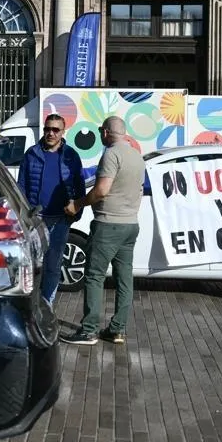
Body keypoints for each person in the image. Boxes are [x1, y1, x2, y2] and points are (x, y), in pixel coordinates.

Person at [61, 116, 145, 346]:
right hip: (130, 225)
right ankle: (117, 329)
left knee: (94, 276)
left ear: (106, 132)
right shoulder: (137, 156)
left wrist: (77, 204)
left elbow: (101, 190)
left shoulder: (111, 154)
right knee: (124, 278)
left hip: (108, 224)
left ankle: (89, 331)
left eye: (100, 132)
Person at [17, 113, 86, 305]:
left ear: (63, 132)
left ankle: (47, 304)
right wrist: (23, 214)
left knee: (54, 265)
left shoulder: (71, 156)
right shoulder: (31, 154)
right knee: (32, 265)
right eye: (47, 129)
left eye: (55, 130)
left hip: (61, 219)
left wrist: (76, 212)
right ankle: (29, 305)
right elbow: (21, 186)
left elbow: (79, 185)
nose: (50, 133)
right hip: (36, 218)